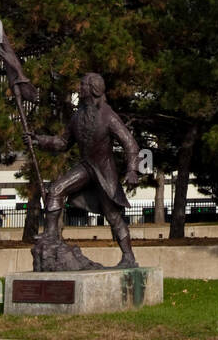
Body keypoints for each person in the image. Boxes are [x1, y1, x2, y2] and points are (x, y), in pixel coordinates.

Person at [23, 73, 140, 268]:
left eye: (83, 85)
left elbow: (131, 144)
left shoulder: (108, 115)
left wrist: (132, 170)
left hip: (104, 171)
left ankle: (128, 257)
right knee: (56, 189)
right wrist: (39, 140)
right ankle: (51, 234)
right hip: (86, 167)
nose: (79, 88)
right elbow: (62, 143)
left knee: (112, 216)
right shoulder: (77, 117)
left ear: (94, 89)